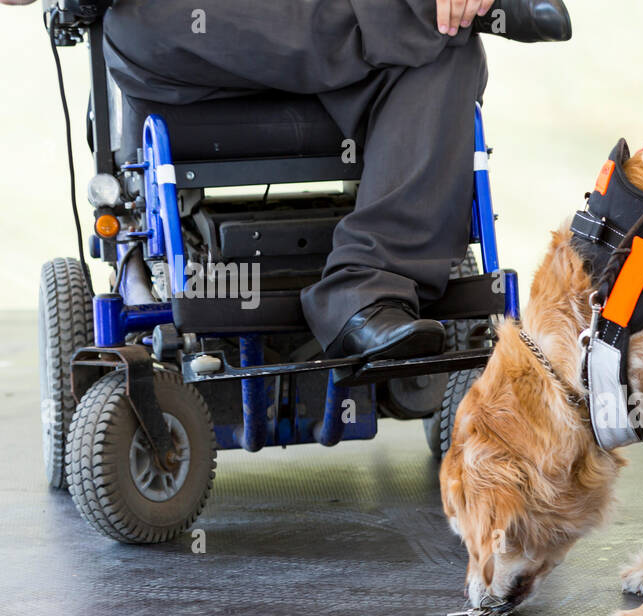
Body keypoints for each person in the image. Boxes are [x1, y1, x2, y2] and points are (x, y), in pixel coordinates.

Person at [6, 0, 572, 360]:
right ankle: (421, 9)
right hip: (196, 31)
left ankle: (365, 294)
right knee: (446, 24)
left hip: (338, 46)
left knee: (450, 55)